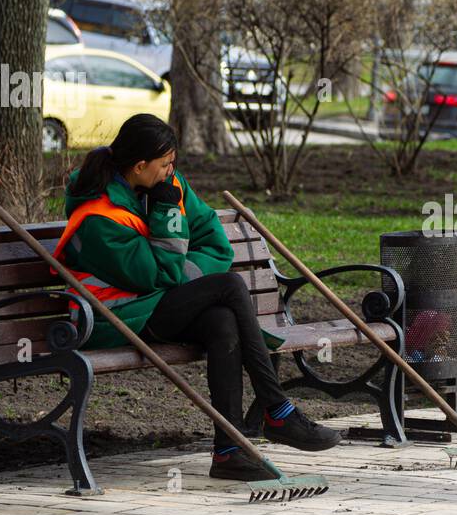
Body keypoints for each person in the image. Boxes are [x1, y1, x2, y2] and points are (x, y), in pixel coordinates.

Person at [55, 113, 340, 482]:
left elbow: (215, 244)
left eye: (173, 162)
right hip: (115, 318)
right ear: (139, 166)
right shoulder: (98, 218)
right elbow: (162, 275)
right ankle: (278, 409)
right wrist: (166, 213)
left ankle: (229, 452)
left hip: (156, 307)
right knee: (230, 286)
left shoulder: (166, 182)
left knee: (222, 321)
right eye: (164, 164)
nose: (171, 171)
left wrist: (182, 280)